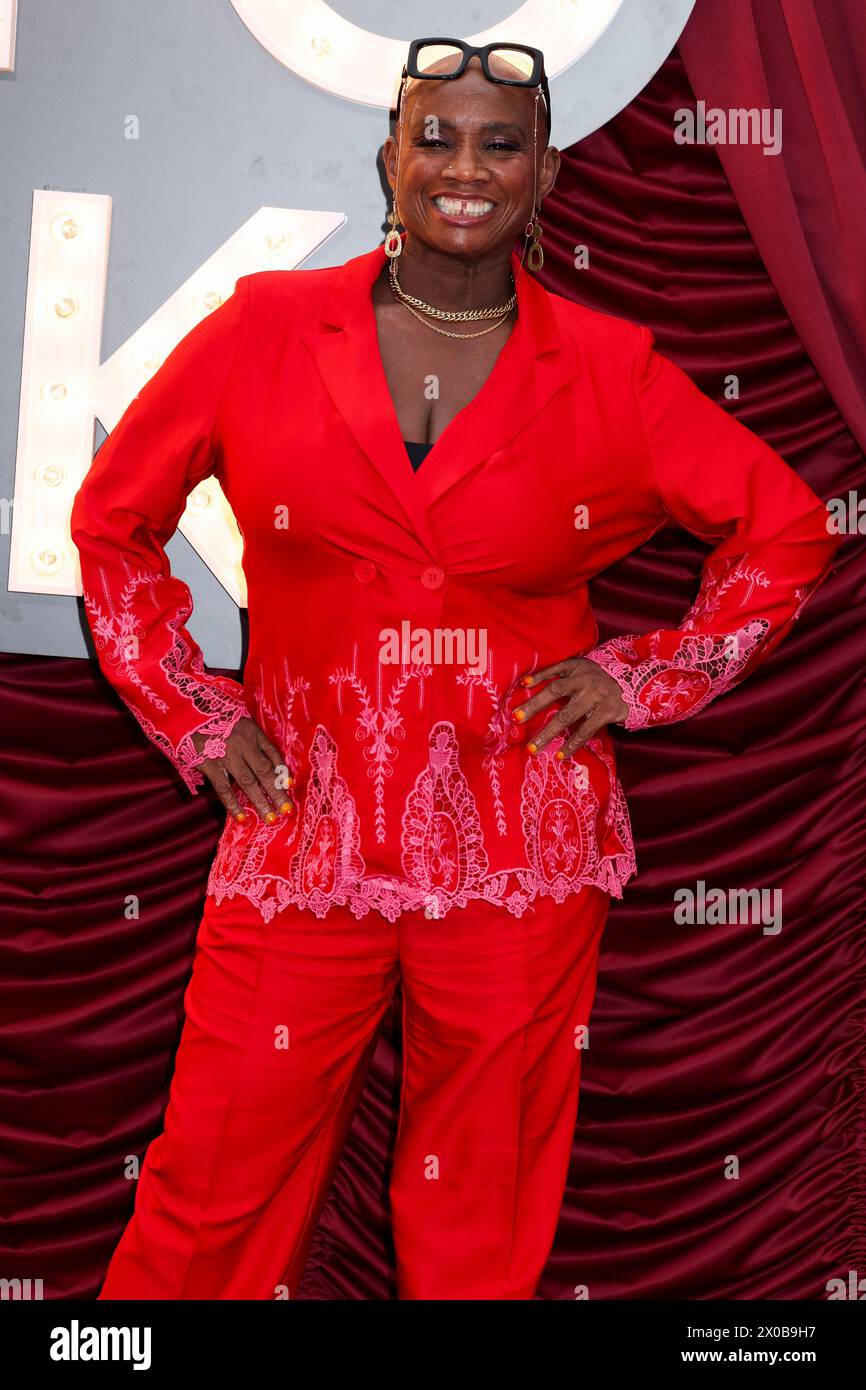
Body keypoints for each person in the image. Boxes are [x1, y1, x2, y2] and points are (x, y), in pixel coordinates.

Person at [70, 38, 839, 1300]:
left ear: (541, 174)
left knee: (477, 1208)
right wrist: (196, 717)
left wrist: (642, 677)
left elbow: (784, 527)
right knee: (212, 1181)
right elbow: (111, 521)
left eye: (499, 144)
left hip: (517, 842)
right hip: (298, 828)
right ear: (390, 158)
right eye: (436, 138)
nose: (464, 168)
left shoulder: (607, 369)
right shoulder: (266, 327)